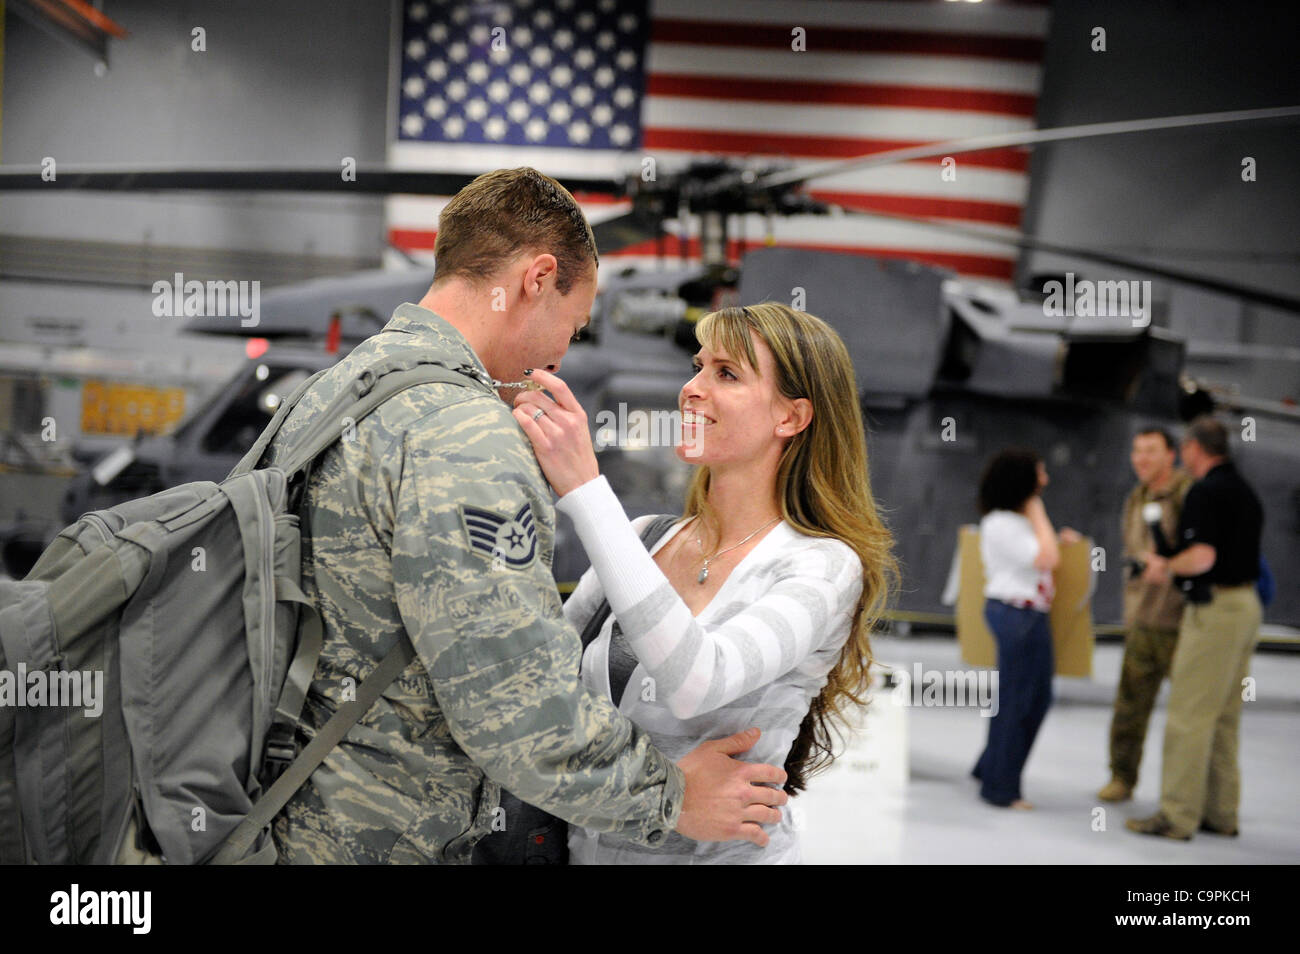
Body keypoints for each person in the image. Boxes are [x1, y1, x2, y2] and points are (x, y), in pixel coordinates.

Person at [265, 168, 789, 863]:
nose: (559, 354)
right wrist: (673, 796)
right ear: (537, 278)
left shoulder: (334, 391)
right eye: (571, 325)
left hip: (284, 813)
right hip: (377, 837)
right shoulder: (467, 435)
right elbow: (519, 709)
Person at [510, 302, 897, 863]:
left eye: (727, 374)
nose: (692, 388)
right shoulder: (645, 540)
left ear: (790, 418)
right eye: (698, 367)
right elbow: (540, 687)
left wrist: (586, 491)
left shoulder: (822, 565)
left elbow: (696, 680)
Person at [1128, 416, 1263, 840]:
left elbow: (1202, 557)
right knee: (1224, 716)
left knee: (1189, 715)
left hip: (1214, 609)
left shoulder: (1204, 492)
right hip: (1246, 605)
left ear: (1193, 449)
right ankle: (1222, 813)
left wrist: (1165, 566)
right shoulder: (1245, 492)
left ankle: (1176, 814)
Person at [971, 450, 1079, 809]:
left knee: (1019, 697)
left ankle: (990, 768)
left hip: (1026, 615)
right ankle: (1001, 787)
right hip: (1018, 615)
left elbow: (1043, 555)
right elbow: (1047, 559)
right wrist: (1038, 511)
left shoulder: (1012, 522)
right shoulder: (1002, 521)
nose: (1045, 479)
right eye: (1040, 473)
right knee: (1024, 700)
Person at [1098, 428, 1193, 802]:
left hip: (1182, 622)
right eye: (1137, 451)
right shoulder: (1136, 498)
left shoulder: (1189, 494)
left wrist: (1168, 564)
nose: (1141, 459)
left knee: (1187, 715)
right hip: (1142, 619)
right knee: (1130, 707)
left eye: (1151, 451)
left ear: (1171, 454)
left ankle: (1183, 793)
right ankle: (1122, 777)